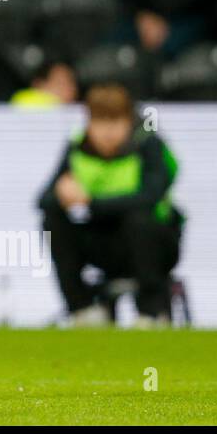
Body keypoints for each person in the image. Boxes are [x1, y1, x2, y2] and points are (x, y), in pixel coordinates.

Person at [37, 83, 185, 326]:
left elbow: (150, 196)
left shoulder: (149, 145)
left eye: (115, 122)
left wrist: (92, 202)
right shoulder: (77, 147)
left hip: (156, 245)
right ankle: (82, 308)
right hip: (104, 243)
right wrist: (61, 194)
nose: (107, 132)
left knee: (140, 221)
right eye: (100, 122)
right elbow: (43, 200)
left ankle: (151, 312)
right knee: (53, 219)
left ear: (129, 120)